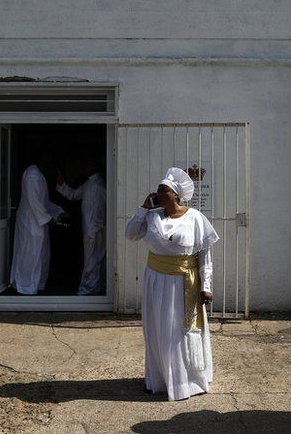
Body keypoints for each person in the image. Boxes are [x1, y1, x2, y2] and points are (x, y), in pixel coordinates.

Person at [125, 167, 219, 401]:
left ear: (175, 195)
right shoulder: (151, 216)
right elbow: (130, 235)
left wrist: (206, 285)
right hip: (155, 281)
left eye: (163, 190)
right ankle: (159, 378)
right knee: (158, 330)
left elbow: (204, 255)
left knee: (178, 331)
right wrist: (142, 209)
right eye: (157, 190)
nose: (157, 193)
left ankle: (186, 380)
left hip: (183, 283)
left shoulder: (195, 217)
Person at [10, 149, 66, 295]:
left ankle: (37, 286)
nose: (50, 162)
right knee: (29, 255)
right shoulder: (32, 175)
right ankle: (25, 287)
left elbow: (43, 202)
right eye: (48, 157)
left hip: (38, 224)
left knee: (40, 256)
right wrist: (48, 219)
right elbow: (34, 201)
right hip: (30, 224)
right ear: (42, 157)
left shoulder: (39, 175)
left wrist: (58, 211)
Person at [55, 156, 107, 296]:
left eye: (88, 164)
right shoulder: (90, 184)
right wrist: (62, 184)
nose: (85, 167)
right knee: (94, 258)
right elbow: (73, 195)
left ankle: (89, 288)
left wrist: (95, 228)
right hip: (93, 228)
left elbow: (98, 210)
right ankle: (94, 286)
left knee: (93, 259)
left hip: (94, 228)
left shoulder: (97, 185)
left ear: (94, 167)